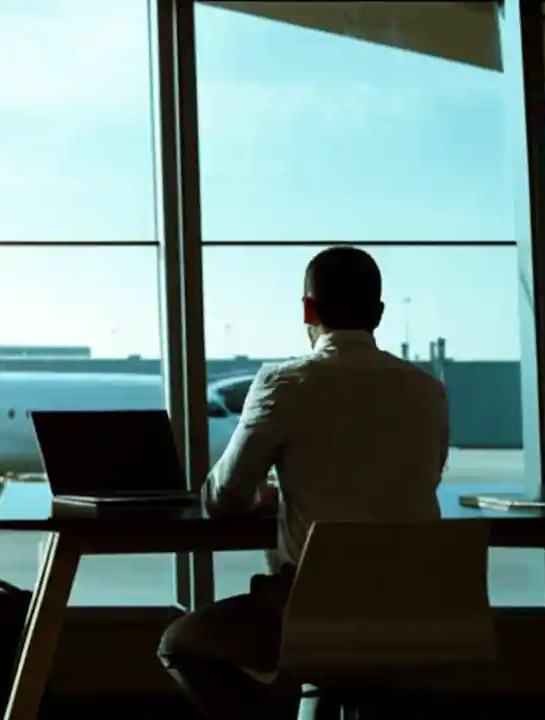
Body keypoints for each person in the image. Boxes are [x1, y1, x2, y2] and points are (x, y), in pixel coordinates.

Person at [158, 245, 450, 719]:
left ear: (308, 310)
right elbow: (422, 479)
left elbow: (224, 500)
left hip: (314, 612)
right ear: (377, 314)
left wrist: (274, 492)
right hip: (415, 610)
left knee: (181, 644)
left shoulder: (285, 383)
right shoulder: (427, 390)